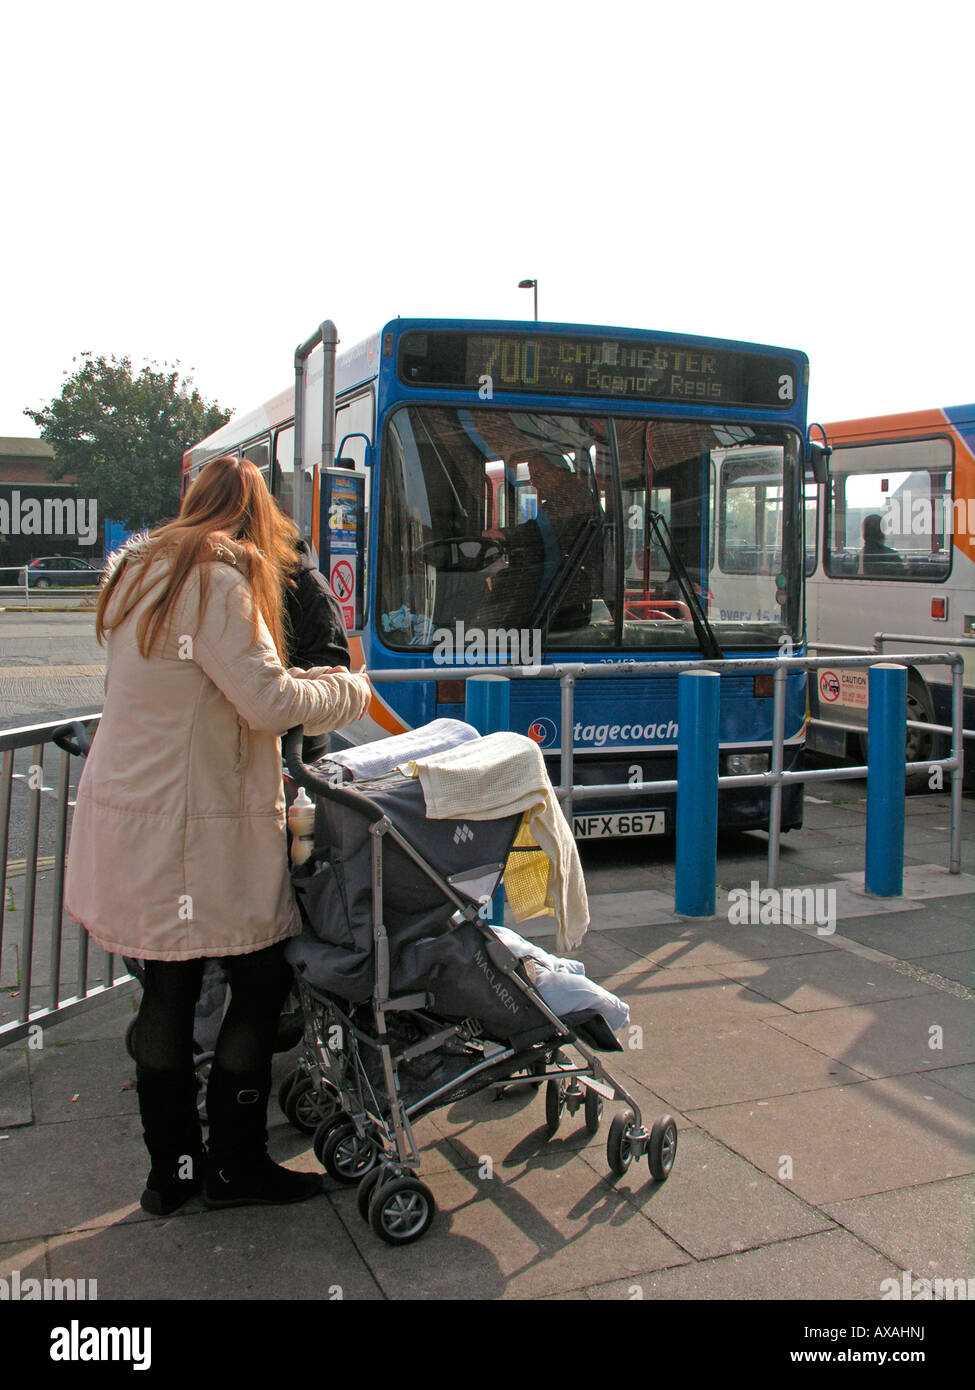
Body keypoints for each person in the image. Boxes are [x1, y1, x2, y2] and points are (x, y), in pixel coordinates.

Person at [64, 455, 372, 1216]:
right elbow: (267, 702)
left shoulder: (140, 574)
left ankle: (170, 1175)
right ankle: (235, 1167)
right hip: (196, 828)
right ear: (254, 516)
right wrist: (349, 689)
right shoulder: (219, 581)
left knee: (167, 990)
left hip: (136, 816)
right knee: (258, 982)